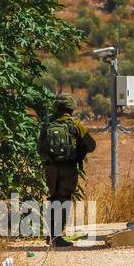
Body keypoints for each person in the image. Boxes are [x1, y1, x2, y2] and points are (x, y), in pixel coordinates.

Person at [37, 94, 95, 248]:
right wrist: (78, 151)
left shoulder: (47, 125)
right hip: (68, 168)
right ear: (71, 108)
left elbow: (40, 148)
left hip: (51, 168)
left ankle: (51, 236)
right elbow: (91, 145)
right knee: (64, 200)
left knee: (53, 199)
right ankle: (57, 237)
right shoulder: (75, 125)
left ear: (56, 108)